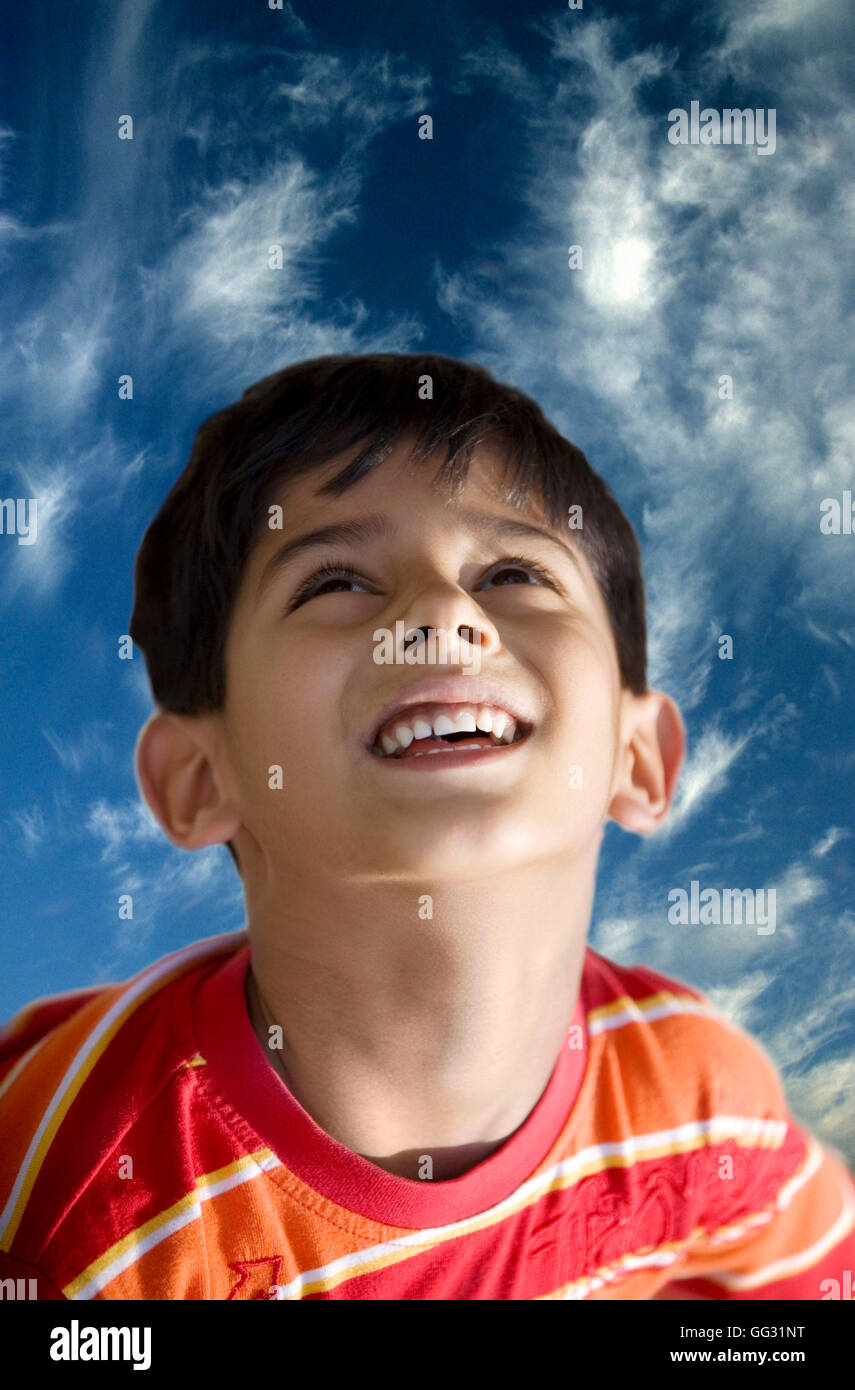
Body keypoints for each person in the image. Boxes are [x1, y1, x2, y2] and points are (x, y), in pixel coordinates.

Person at [1, 353, 852, 1300]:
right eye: (334, 583)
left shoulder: (701, 1106)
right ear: (199, 778)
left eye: (516, 572)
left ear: (640, 757)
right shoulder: (80, 1232)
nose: (442, 613)